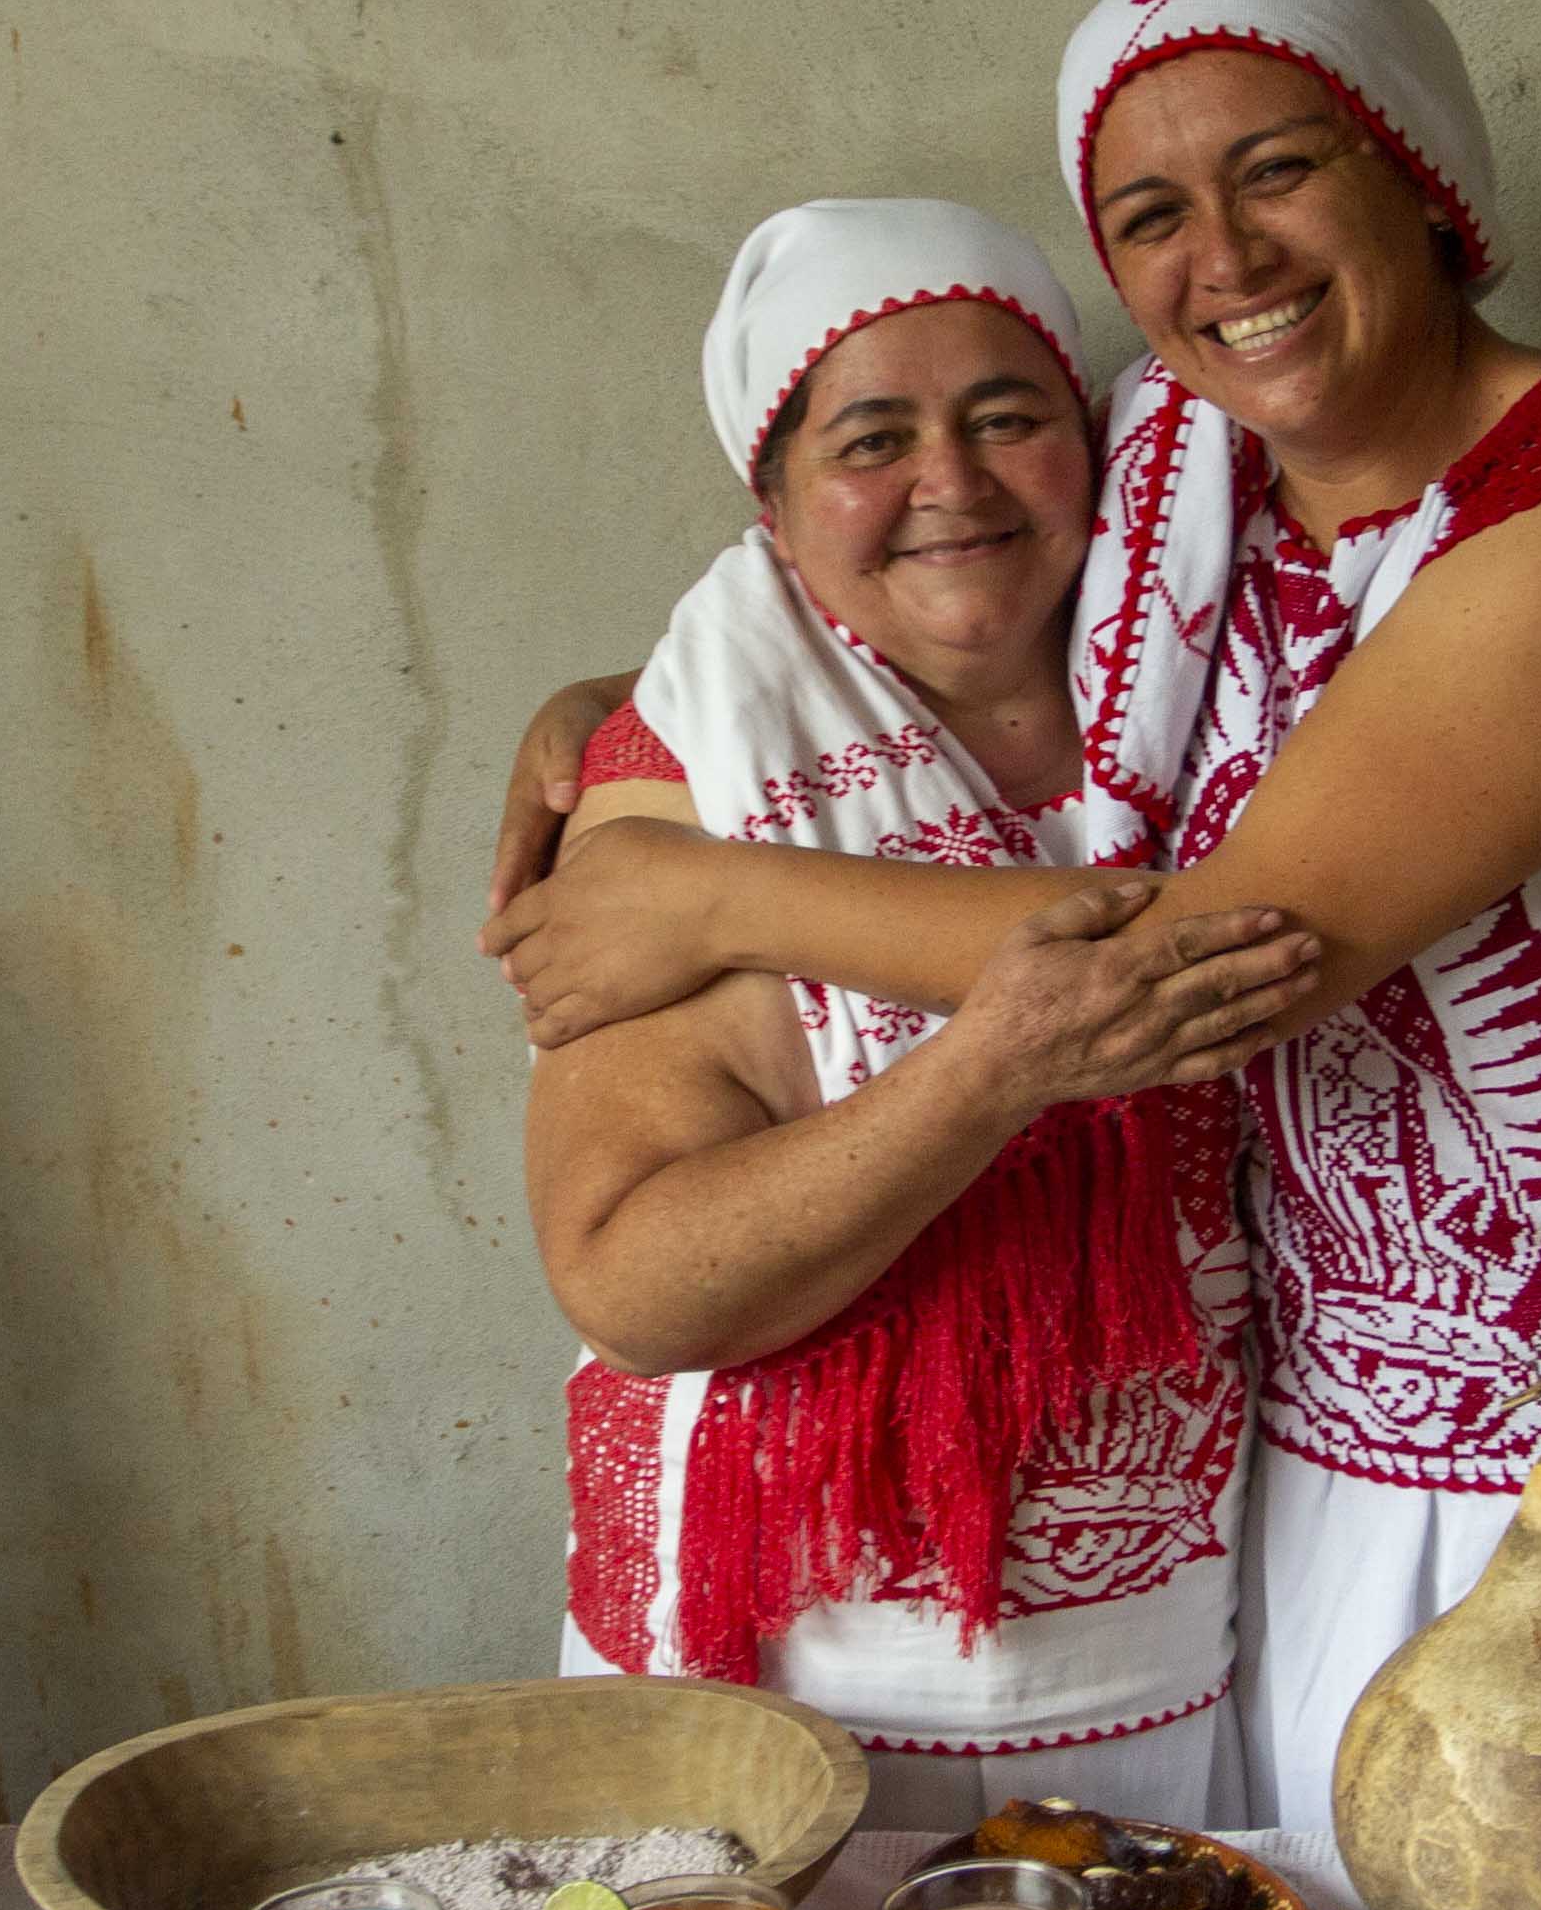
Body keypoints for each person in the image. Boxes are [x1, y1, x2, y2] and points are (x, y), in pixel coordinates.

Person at [491, 0, 1541, 1827]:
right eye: (1150, 216)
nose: (1225, 258)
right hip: (1332, 1468)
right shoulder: (1175, 495)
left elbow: (1244, 940)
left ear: (1422, 169)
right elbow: (877, 574)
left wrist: (713, 893)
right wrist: (615, 728)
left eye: (1279, 168)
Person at [526, 198, 1314, 1828]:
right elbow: (632, 1281)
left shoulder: (1204, 697)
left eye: (1007, 418)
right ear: (774, 504)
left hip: (1166, 1646)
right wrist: (994, 1070)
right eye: (872, 440)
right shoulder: (688, 784)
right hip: (797, 1688)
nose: (950, 483)